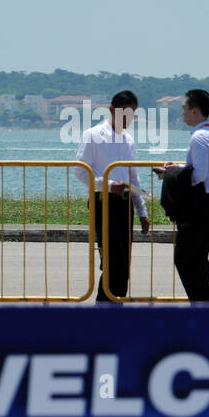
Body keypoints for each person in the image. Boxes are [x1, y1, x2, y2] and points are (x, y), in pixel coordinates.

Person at [74, 90, 150, 303]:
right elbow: (81, 171)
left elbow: (133, 178)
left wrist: (142, 211)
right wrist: (107, 185)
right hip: (104, 202)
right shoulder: (93, 135)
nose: (129, 119)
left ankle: (115, 307)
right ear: (112, 110)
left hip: (125, 204)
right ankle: (104, 308)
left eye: (132, 113)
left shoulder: (129, 140)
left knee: (123, 263)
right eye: (125, 113)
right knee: (110, 261)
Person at [154, 89, 209, 303]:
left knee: (186, 262)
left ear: (194, 111)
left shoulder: (199, 138)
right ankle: (206, 313)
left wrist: (171, 175)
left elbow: (199, 175)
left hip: (197, 209)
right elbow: (202, 169)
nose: (182, 113)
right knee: (199, 264)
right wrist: (179, 167)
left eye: (184, 108)